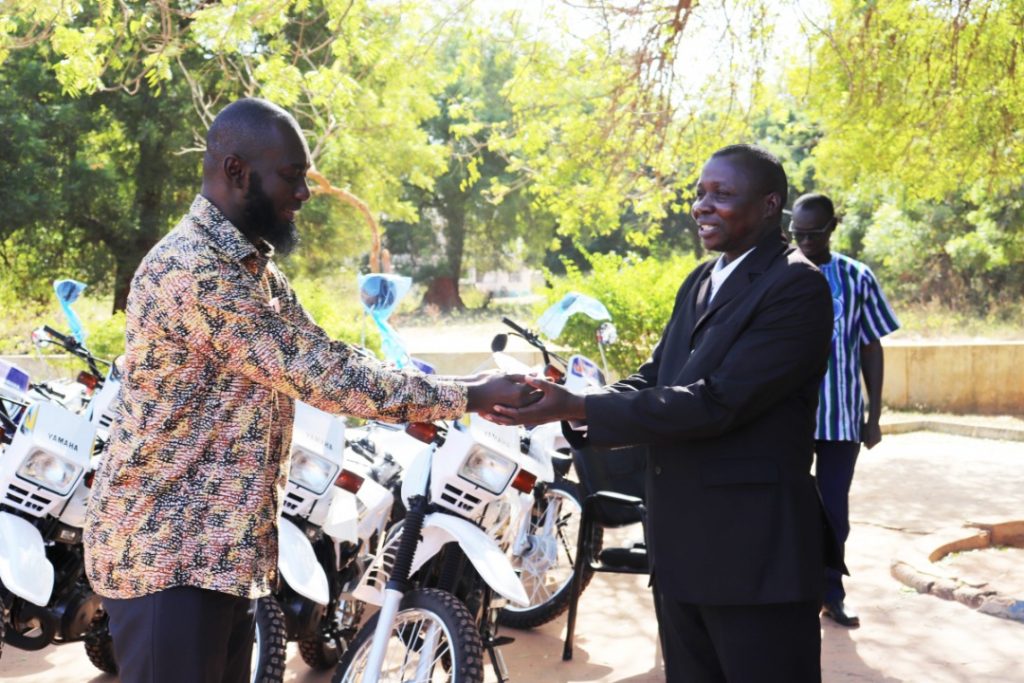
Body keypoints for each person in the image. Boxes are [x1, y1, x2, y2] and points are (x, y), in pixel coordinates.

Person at [82, 97, 535, 683]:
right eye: (291, 177)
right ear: (237, 171)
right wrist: (466, 396)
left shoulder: (254, 270)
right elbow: (318, 374)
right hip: (169, 558)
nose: (304, 193)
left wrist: (425, 401)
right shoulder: (193, 270)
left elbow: (328, 353)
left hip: (218, 557)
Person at [489, 144, 838, 682]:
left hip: (755, 558)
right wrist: (569, 400)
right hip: (681, 551)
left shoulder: (796, 285)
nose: (702, 205)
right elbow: (658, 377)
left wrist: (582, 406)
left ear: (770, 206)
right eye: (699, 193)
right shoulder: (700, 280)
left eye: (722, 194)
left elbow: (716, 402)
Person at [790, 193, 900, 628]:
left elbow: (871, 345)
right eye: (798, 234)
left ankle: (831, 592)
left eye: (814, 234)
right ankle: (791, 593)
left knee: (834, 509)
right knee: (786, 507)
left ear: (832, 227)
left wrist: (872, 416)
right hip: (788, 419)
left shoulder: (857, 277)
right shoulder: (782, 274)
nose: (805, 241)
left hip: (840, 420)